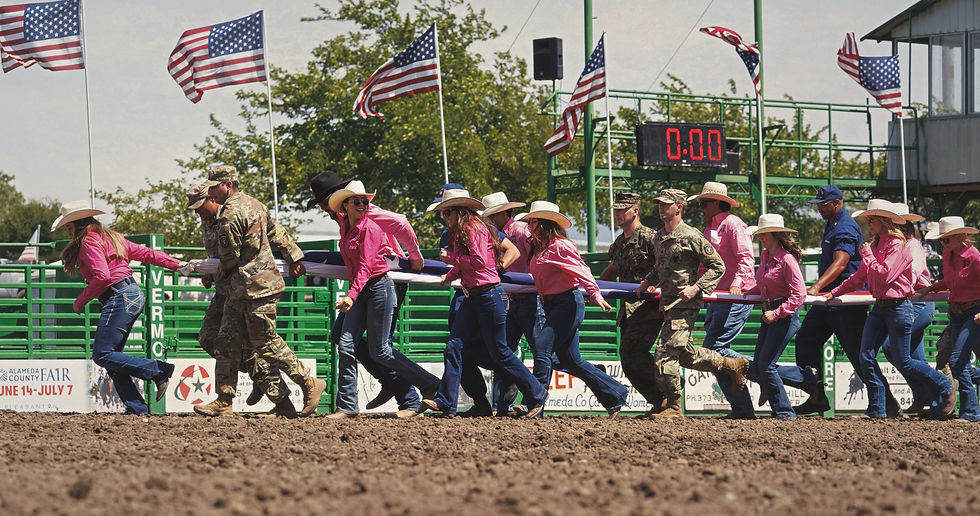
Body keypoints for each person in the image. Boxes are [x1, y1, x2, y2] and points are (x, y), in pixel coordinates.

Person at [307, 171, 433, 418]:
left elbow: (401, 225)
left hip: (385, 281)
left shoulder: (366, 215)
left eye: (323, 202)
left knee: (380, 348)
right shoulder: (345, 221)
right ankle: (387, 383)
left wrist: (415, 257)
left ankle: (409, 392)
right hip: (364, 284)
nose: (323, 208)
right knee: (352, 342)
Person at [208, 165, 325, 418]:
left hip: (252, 287)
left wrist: (212, 273)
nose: (211, 192)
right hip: (251, 288)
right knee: (227, 342)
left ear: (227, 184)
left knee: (265, 342)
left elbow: (229, 259)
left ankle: (308, 381)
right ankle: (224, 400)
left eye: (214, 186)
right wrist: (294, 256)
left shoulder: (228, 215)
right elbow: (275, 232)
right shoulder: (256, 204)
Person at [420, 190, 547, 417]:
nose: (444, 217)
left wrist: (450, 261)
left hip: (487, 295)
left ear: (459, 211)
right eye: (443, 213)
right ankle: (445, 401)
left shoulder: (472, 228)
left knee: (498, 352)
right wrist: (449, 276)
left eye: (447, 212)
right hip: (477, 295)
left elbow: (479, 261)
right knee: (456, 346)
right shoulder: (465, 229)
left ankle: (536, 392)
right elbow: (472, 263)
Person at [53, 200, 185, 415]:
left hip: (118, 297)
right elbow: (147, 254)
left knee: (102, 354)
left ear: (77, 224)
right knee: (112, 357)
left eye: (68, 228)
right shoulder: (112, 238)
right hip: (132, 294)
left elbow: (103, 277)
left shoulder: (88, 242)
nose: (68, 233)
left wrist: (81, 301)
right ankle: (137, 407)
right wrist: (177, 264)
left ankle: (159, 371)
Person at [826, 200, 954, 419]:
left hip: (899, 306)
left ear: (884, 221)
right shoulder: (880, 245)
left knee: (902, 358)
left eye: (871, 219)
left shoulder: (896, 245)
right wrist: (835, 291)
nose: (867, 222)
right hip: (887, 306)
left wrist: (866, 256)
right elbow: (860, 277)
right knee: (868, 355)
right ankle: (880, 408)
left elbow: (885, 274)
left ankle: (942, 384)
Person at [633, 189, 749, 419]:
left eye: (666, 204)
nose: (661, 208)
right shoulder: (659, 237)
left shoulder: (692, 236)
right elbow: (660, 267)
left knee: (664, 355)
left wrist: (696, 288)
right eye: (659, 204)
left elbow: (718, 266)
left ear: (679, 207)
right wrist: (646, 283)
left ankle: (674, 407)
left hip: (685, 306)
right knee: (686, 355)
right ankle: (732, 365)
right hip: (667, 305)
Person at [186, 182, 286, 416]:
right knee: (209, 337)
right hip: (225, 290)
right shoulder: (208, 221)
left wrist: (295, 256)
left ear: (212, 198)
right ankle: (260, 380)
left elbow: (271, 234)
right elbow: (219, 254)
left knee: (241, 344)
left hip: (242, 289)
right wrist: (212, 272)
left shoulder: (234, 214)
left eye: (200, 206)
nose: (198, 212)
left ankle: (274, 398)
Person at [521, 201, 627, 417]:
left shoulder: (560, 246)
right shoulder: (540, 247)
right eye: (529, 221)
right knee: (571, 360)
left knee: (542, 348)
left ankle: (534, 401)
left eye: (533, 221)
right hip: (553, 304)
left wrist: (595, 293)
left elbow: (582, 270)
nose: (529, 225)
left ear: (545, 224)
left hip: (566, 304)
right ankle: (615, 393)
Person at [795, 185, 891, 416]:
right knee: (806, 339)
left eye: (823, 204)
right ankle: (816, 395)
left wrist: (816, 286)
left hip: (845, 300)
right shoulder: (834, 224)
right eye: (817, 205)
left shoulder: (845, 227)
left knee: (858, 352)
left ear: (837, 203)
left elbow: (840, 263)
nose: (819, 208)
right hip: (829, 299)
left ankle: (885, 402)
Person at [688, 182, 757, 419]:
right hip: (720, 297)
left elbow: (746, 257)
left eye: (704, 203)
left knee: (715, 351)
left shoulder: (733, 224)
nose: (700, 208)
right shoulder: (711, 229)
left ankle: (770, 375)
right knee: (714, 353)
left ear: (717, 203)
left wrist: (737, 282)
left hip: (733, 296)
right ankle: (745, 404)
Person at [598, 192, 666, 416]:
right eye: (616, 209)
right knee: (628, 357)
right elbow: (613, 270)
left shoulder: (650, 237)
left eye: (622, 209)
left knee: (631, 353)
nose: (617, 214)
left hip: (649, 308)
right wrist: (592, 286)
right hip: (629, 309)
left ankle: (667, 393)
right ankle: (661, 400)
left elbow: (664, 267)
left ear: (635, 210)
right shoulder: (618, 243)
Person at [742, 214, 807, 420]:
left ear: (775, 234)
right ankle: (807, 379)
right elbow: (764, 285)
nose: (761, 237)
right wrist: (746, 289)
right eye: (760, 234)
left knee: (765, 366)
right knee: (762, 365)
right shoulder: (766, 256)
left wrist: (777, 313)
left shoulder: (786, 260)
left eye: (764, 234)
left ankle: (785, 412)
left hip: (783, 316)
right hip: (770, 314)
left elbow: (800, 293)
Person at [916, 216, 980, 421]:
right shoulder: (948, 255)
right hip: (957, 312)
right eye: (941, 240)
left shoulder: (975, 258)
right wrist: (932, 287)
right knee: (960, 363)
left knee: (957, 361)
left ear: (961, 236)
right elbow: (950, 280)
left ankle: (971, 411)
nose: (943, 244)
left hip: (974, 312)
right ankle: (970, 410)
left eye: (946, 240)